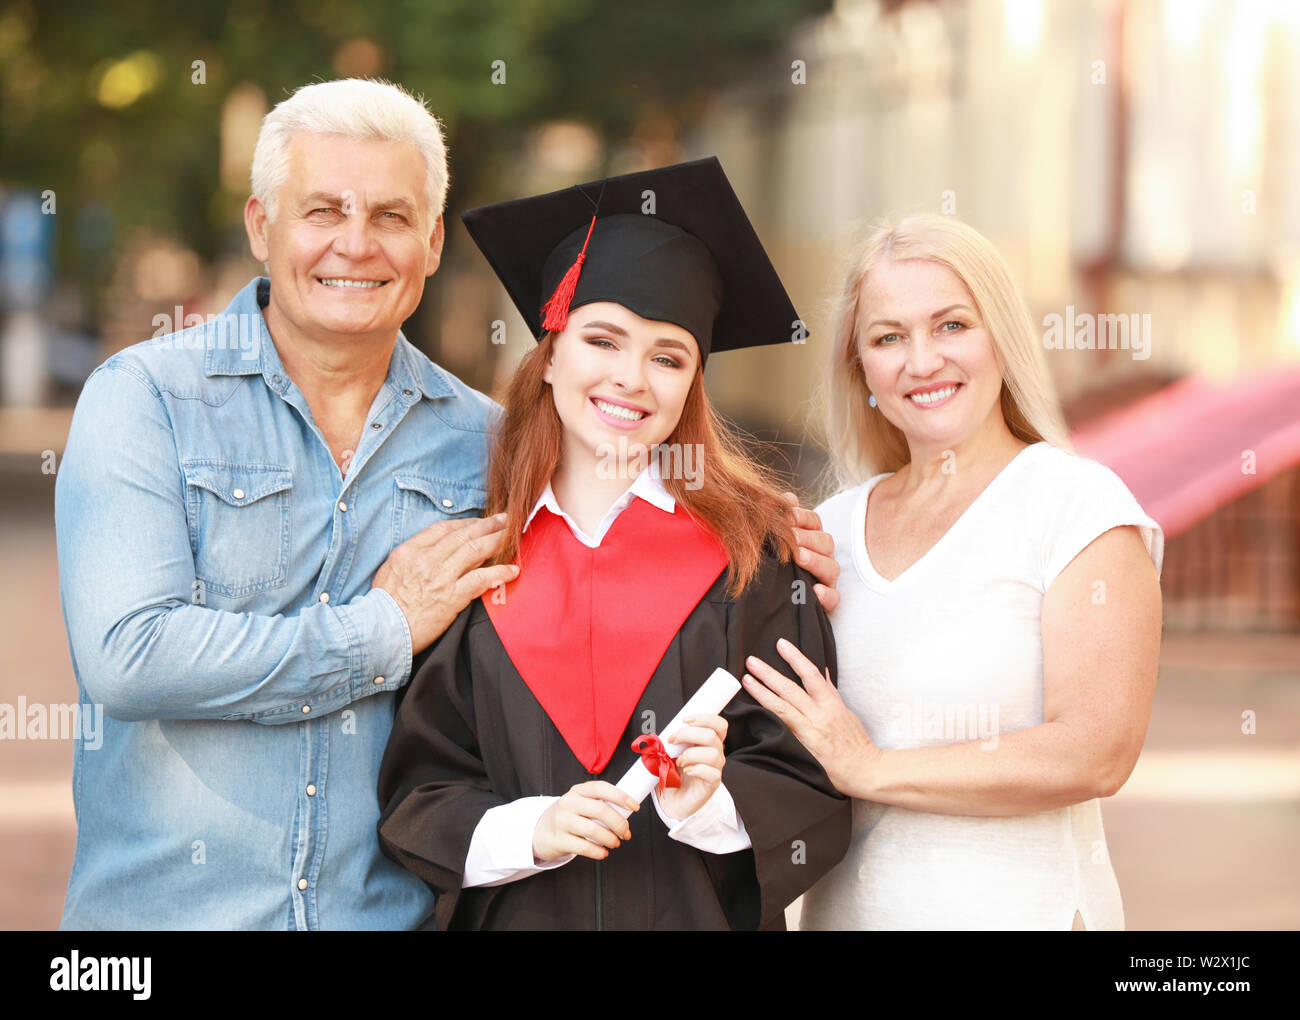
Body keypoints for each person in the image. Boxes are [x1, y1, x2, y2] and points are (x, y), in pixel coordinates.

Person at [53, 78, 841, 930]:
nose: (355, 244)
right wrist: (386, 632)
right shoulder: (146, 399)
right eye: (323, 210)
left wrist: (782, 550)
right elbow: (127, 656)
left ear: (431, 243)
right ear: (259, 225)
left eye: (391, 216)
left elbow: (802, 773)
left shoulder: (487, 451)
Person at [376, 158, 852, 930]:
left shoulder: (753, 564)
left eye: (668, 356)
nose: (632, 378)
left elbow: (813, 778)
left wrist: (710, 805)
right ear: (551, 352)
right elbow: (420, 792)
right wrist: (531, 831)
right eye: (603, 340)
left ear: (693, 381)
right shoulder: (472, 567)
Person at [742, 213, 1164, 931]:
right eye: (888, 338)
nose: (922, 361)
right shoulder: (830, 531)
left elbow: (1097, 752)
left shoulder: (1074, 507)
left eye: (951, 326)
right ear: (862, 369)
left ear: (1000, 336)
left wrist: (872, 767)